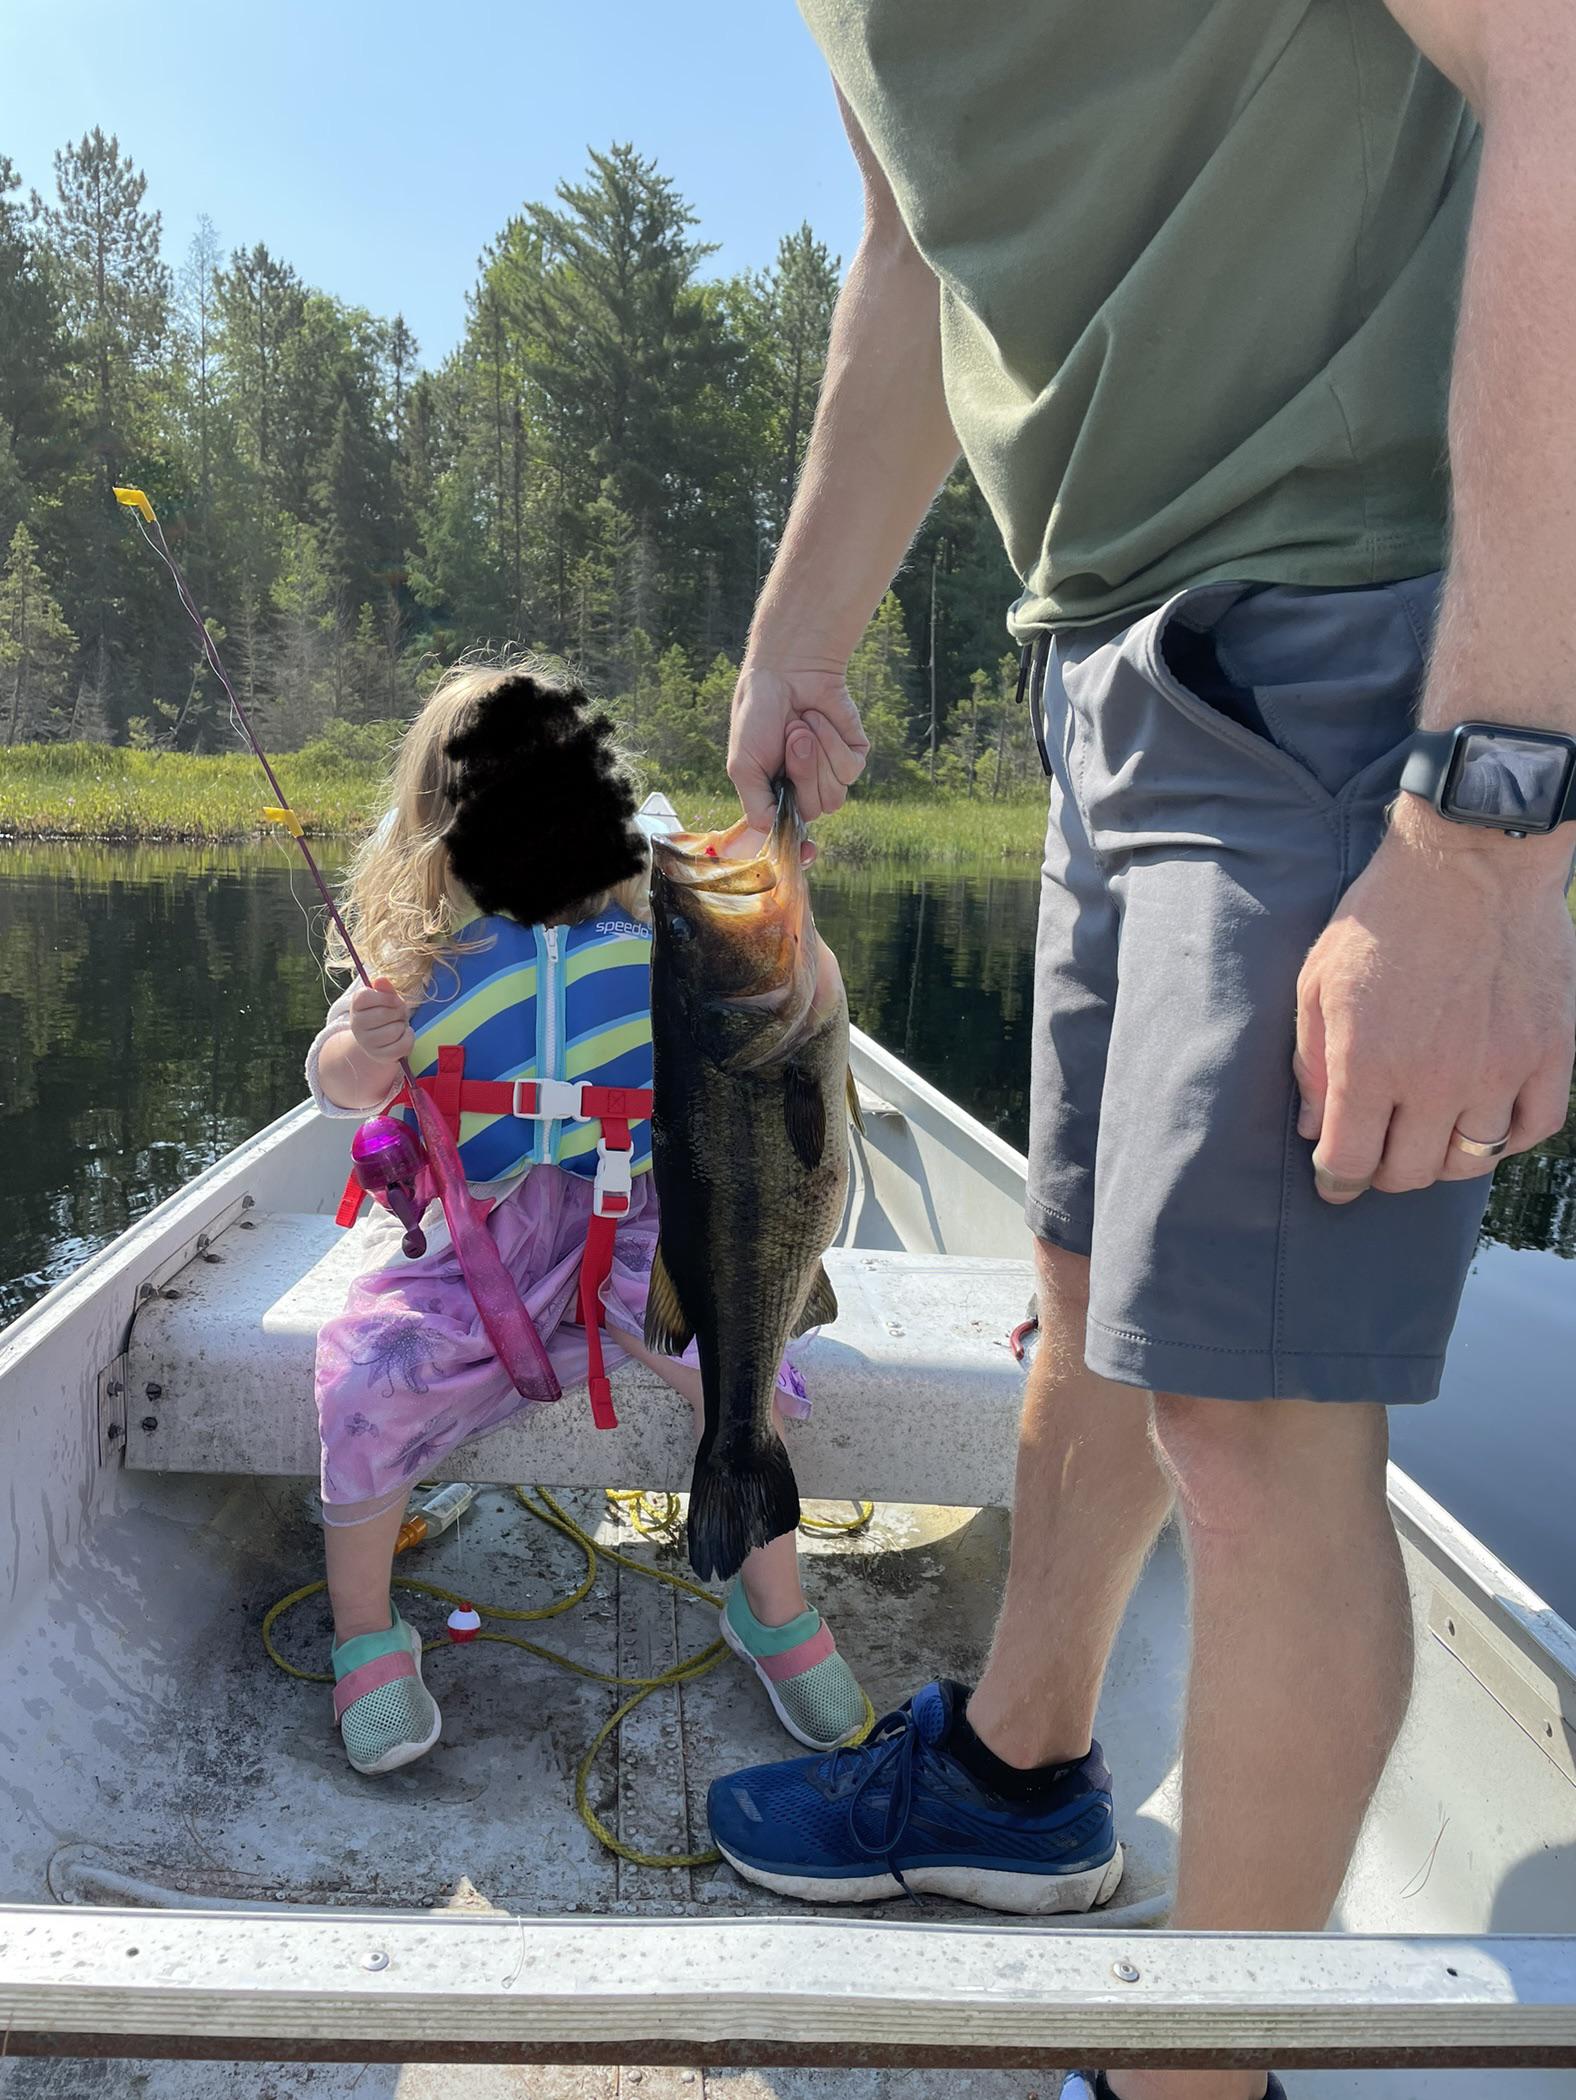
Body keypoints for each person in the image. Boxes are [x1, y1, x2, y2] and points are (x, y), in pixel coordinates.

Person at [704, 6, 1576, 2100]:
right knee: (1085, 1306)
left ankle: (1187, 2081)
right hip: (1094, 663)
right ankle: (1016, 1776)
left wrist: (1479, 829)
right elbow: (910, 262)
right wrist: (791, 636)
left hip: (1354, 633)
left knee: (1257, 1434)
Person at [305, 660, 867, 1775]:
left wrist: (788, 838)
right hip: (483, 1240)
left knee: (746, 1378)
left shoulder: (660, 919)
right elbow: (338, 1085)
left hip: (645, 1224)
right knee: (364, 1386)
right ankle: (365, 1637)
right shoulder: (417, 959)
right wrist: (362, 1048)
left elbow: (770, 969)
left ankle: (773, 1606)